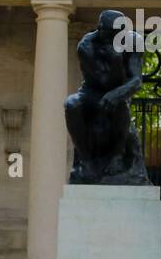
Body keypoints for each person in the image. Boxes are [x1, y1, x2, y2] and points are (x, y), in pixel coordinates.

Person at [64, 10, 151, 185]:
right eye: (113, 36)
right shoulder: (86, 46)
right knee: (71, 104)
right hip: (92, 91)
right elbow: (102, 80)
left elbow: (136, 81)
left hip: (119, 90)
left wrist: (117, 92)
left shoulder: (134, 41)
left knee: (119, 105)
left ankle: (117, 157)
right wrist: (115, 59)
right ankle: (86, 159)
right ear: (101, 30)